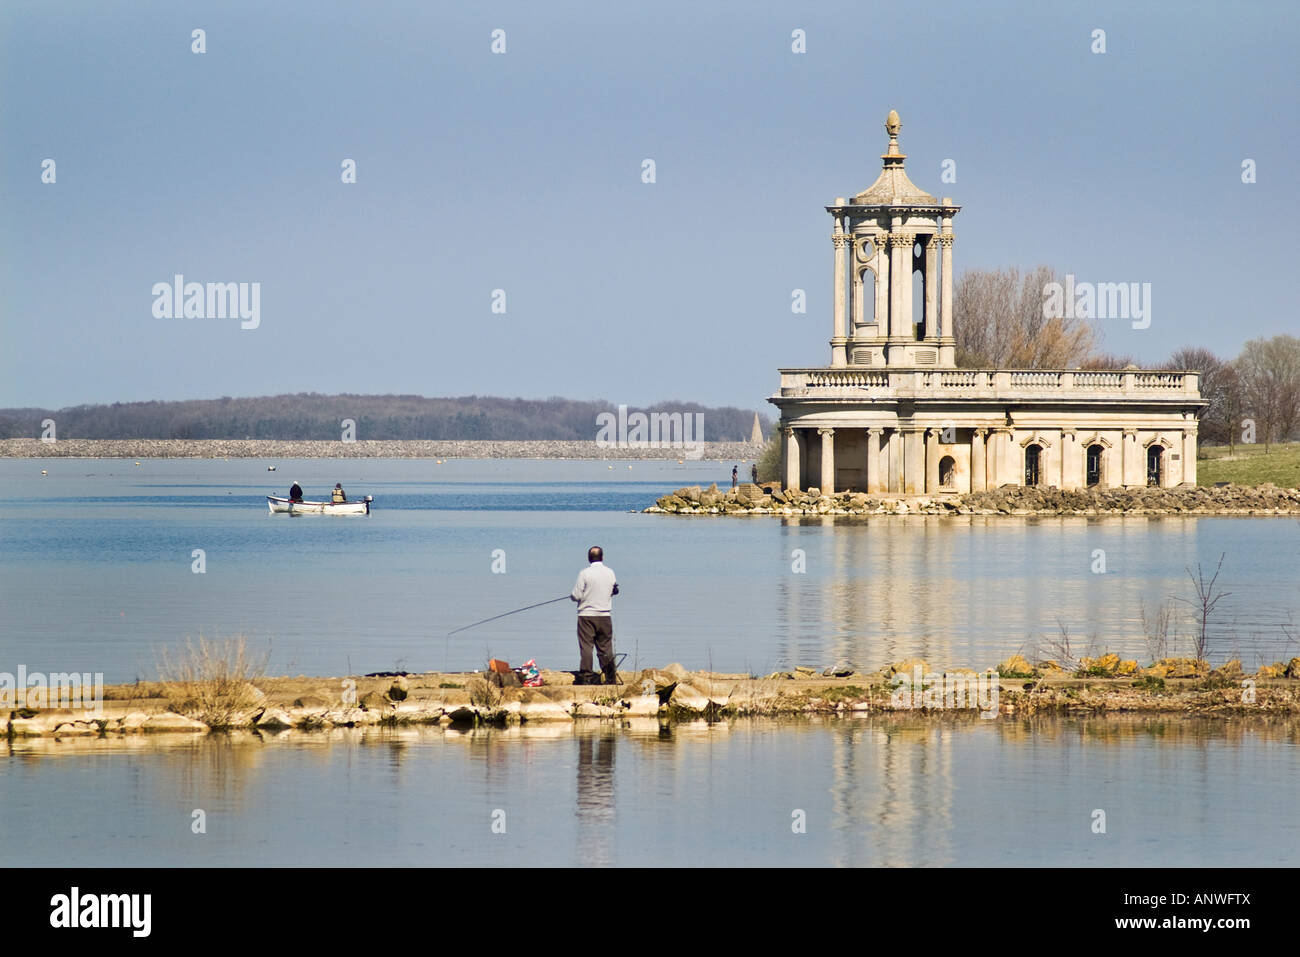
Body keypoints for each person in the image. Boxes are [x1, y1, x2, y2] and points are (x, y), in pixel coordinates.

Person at [570, 546, 619, 684]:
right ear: (602, 557)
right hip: (605, 615)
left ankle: (586, 677)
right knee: (606, 647)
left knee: (586, 647)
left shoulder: (584, 573)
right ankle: (610, 677)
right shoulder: (610, 573)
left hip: (586, 615)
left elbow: (576, 595)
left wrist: (572, 597)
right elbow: (613, 590)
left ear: (588, 558)